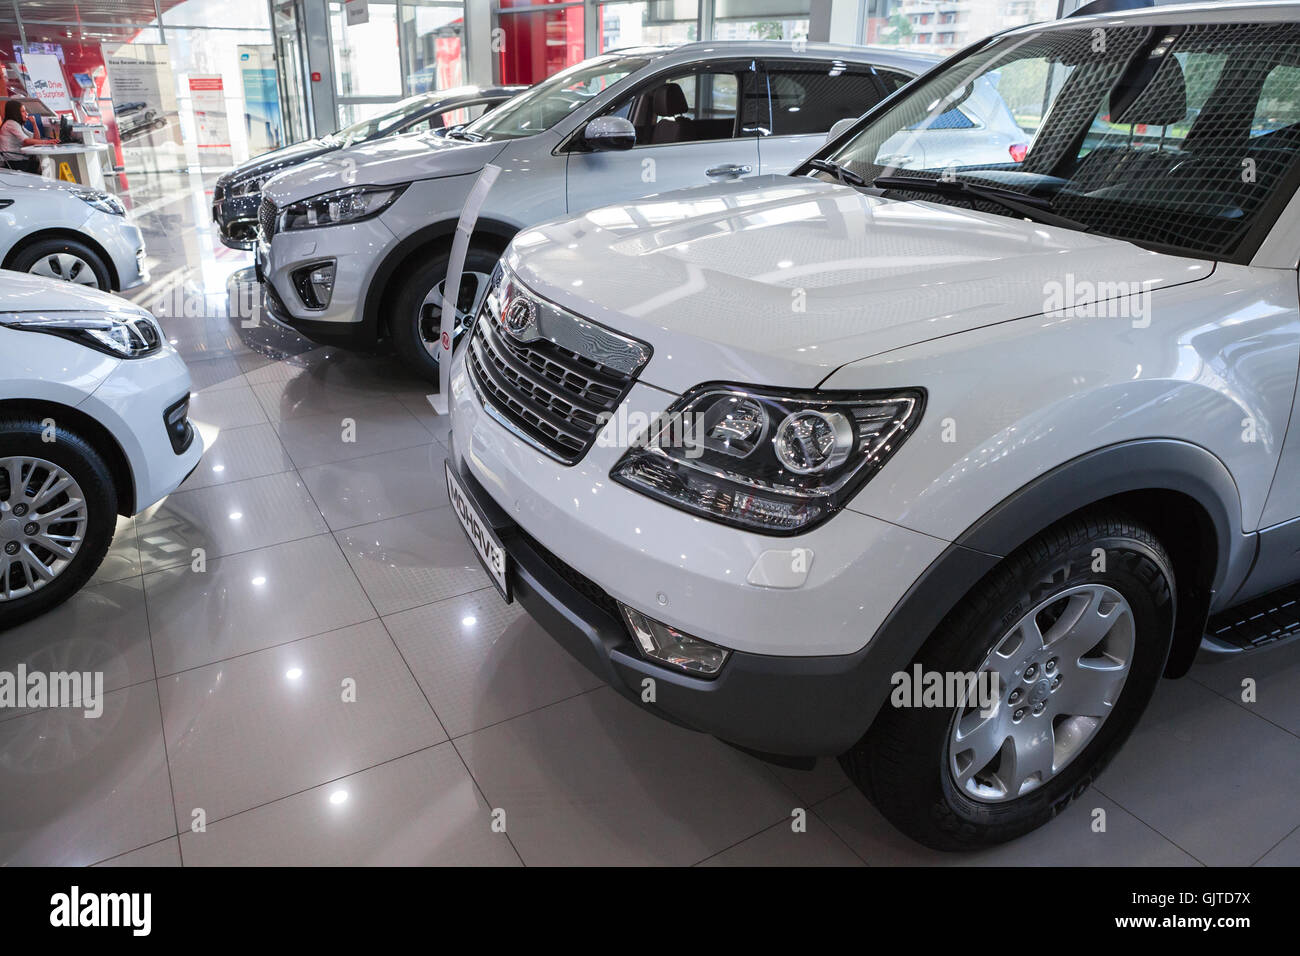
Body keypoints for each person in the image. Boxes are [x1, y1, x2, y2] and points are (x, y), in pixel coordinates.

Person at [1, 99, 56, 171]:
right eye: (23, 111)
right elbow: (26, 141)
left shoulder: (17, 124)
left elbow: (36, 139)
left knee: (40, 163)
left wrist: (34, 123)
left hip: (18, 158)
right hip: (15, 161)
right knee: (43, 165)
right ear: (16, 113)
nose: (26, 114)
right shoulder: (11, 124)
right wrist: (47, 142)